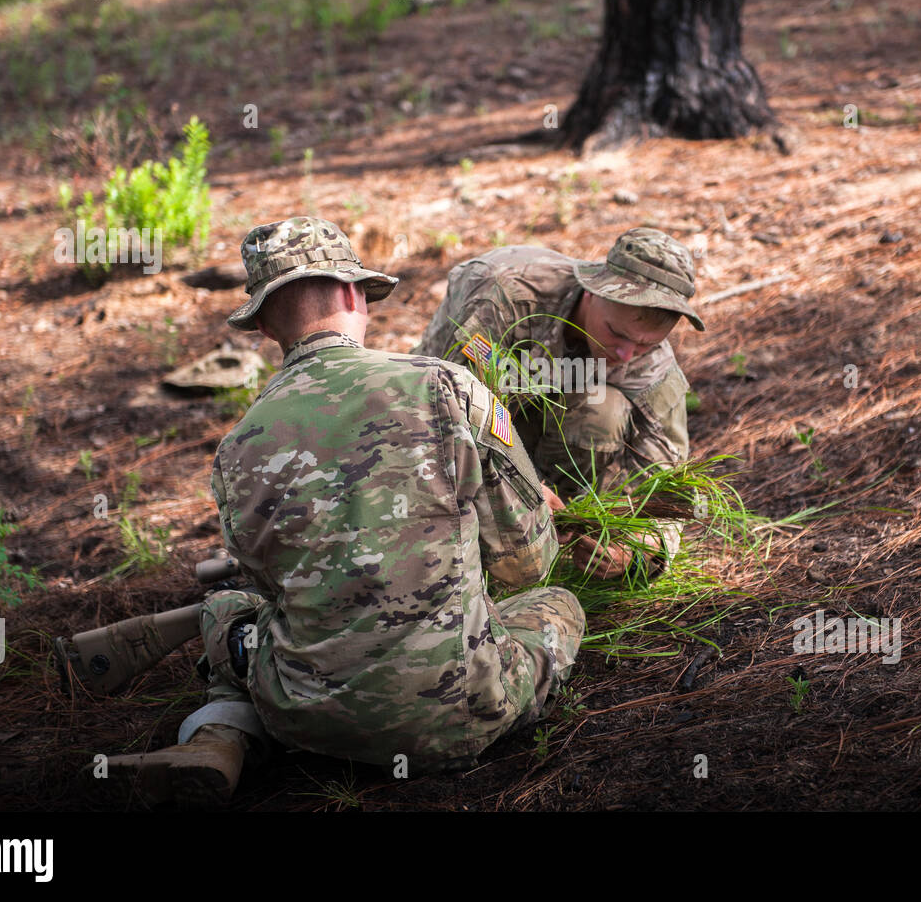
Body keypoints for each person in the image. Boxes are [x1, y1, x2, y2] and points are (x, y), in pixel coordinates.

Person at [96, 217, 585, 807]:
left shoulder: (238, 446)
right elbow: (526, 566)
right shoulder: (445, 386)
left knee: (235, 612)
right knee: (559, 605)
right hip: (461, 715)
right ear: (355, 293)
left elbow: (272, 589)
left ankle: (217, 737)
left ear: (264, 325)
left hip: (305, 724)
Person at [413, 228, 702, 579]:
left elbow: (667, 473)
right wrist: (526, 487)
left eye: (644, 345)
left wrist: (640, 550)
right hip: (449, 423)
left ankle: (555, 531)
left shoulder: (652, 361)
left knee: (604, 410)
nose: (626, 356)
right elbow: (448, 410)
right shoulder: (506, 297)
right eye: (617, 334)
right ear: (592, 293)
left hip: (539, 432)